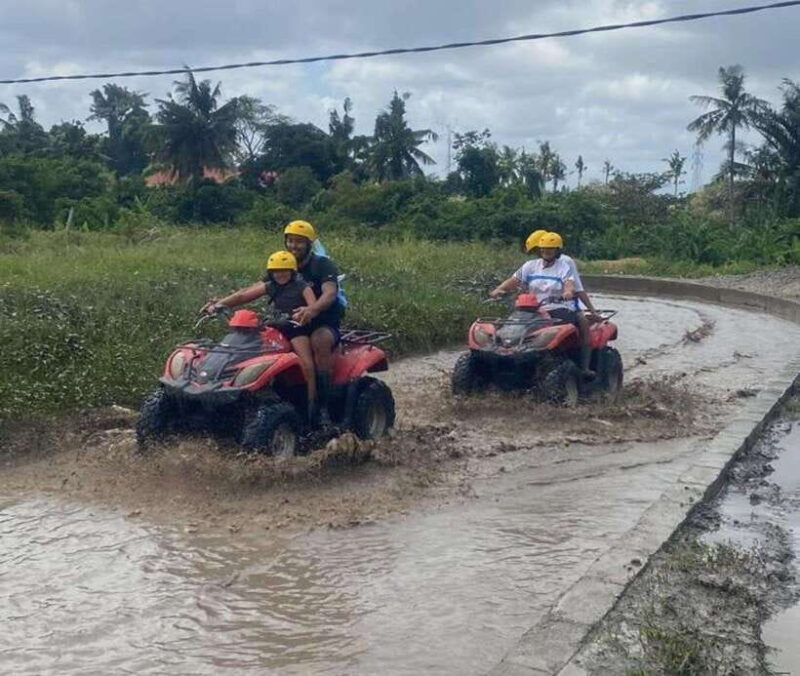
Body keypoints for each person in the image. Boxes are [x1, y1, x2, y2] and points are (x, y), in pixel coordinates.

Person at [201, 250, 319, 423]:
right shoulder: (271, 286)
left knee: (307, 365)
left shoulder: (303, 286)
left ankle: (312, 410)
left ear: (292, 271)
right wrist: (219, 304)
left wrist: (307, 312)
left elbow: (313, 305)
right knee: (244, 352)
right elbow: (243, 296)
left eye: (284, 270)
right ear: (271, 272)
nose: (280, 274)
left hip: (296, 328)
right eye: (276, 271)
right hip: (274, 327)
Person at [489, 232, 596, 378]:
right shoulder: (530, 266)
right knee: (510, 327)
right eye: (544, 248)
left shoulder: (564, 266)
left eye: (550, 249)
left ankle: (582, 367)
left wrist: (568, 292)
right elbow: (513, 281)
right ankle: (508, 357)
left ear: (558, 251)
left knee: (570, 327)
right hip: (532, 309)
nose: (546, 251)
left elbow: (570, 283)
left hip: (559, 307)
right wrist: (498, 290)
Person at [281, 220, 344, 425]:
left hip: (323, 321)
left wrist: (312, 309)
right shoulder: (284, 263)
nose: (293, 246)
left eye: (299, 242)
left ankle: (322, 406)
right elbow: (259, 287)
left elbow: (330, 292)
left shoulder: (322, 264)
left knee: (320, 341)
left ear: (308, 244)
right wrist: (222, 302)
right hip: (293, 322)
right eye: (290, 241)